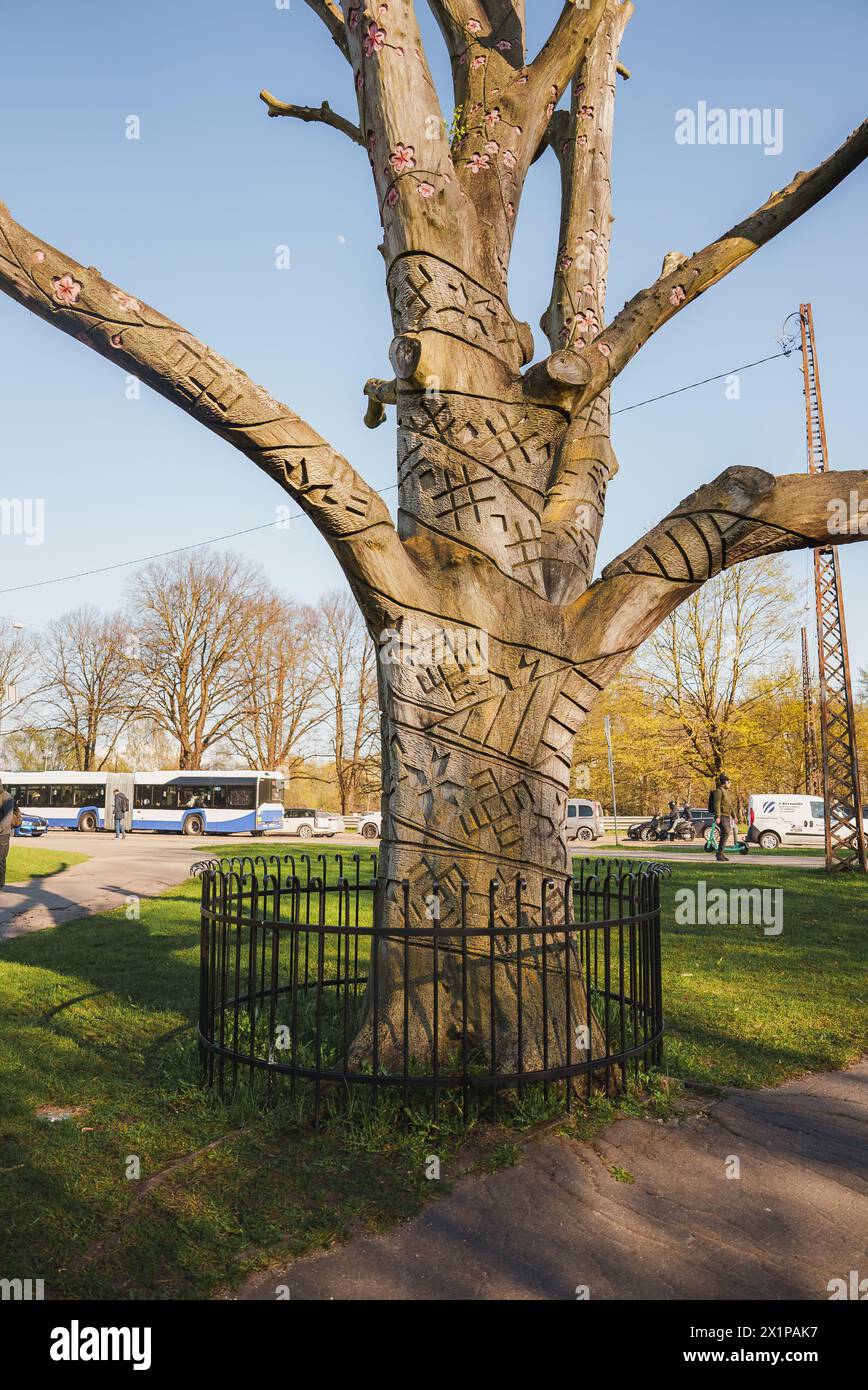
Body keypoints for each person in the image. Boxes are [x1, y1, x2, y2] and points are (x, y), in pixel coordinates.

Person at [709, 774, 736, 862]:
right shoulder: (718, 791)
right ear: (725, 782)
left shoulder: (726, 792)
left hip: (727, 816)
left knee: (726, 833)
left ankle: (721, 853)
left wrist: (734, 816)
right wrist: (718, 816)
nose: (730, 783)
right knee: (726, 833)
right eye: (729, 782)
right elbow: (716, 804)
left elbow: (730, 805)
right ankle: (719, 854)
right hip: (722, 816)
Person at [0, 780, 14, 889]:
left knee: (1, 858)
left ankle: (1, 883)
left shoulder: (7, 797)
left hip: (3, 834)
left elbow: (8, 818)